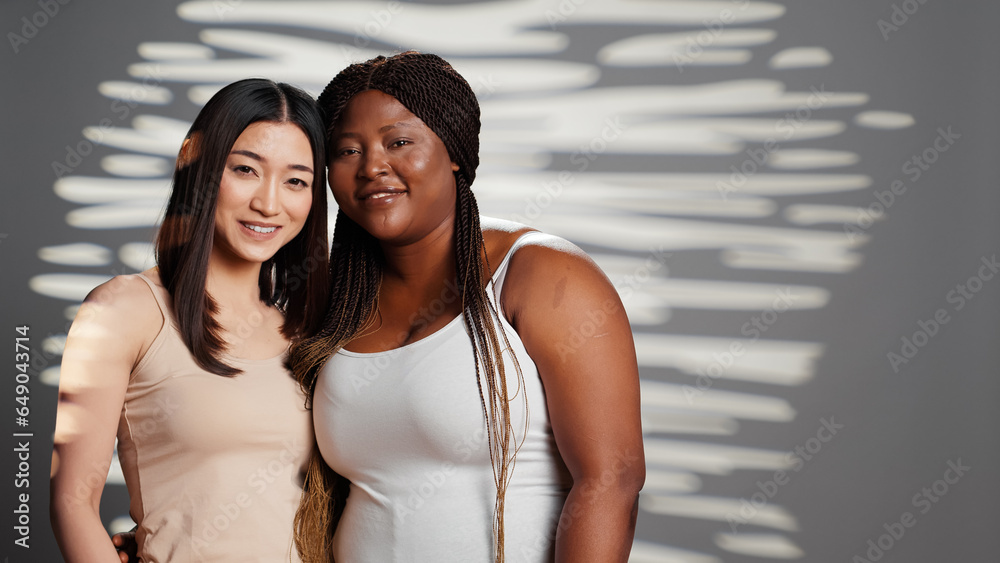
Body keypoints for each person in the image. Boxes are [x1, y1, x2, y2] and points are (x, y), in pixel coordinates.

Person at [289, 52, 645, 562]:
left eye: (399, 142)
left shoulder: (539, 275)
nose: (372, 167)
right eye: (347, 150)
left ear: (453, 151)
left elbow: (612, 480)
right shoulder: (337, 301)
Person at [49, 78, 330, 562]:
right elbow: (72, 500)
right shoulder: (124, 310)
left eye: (296, 181)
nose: (269, 202)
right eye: (245, 169)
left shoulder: (304, 333)